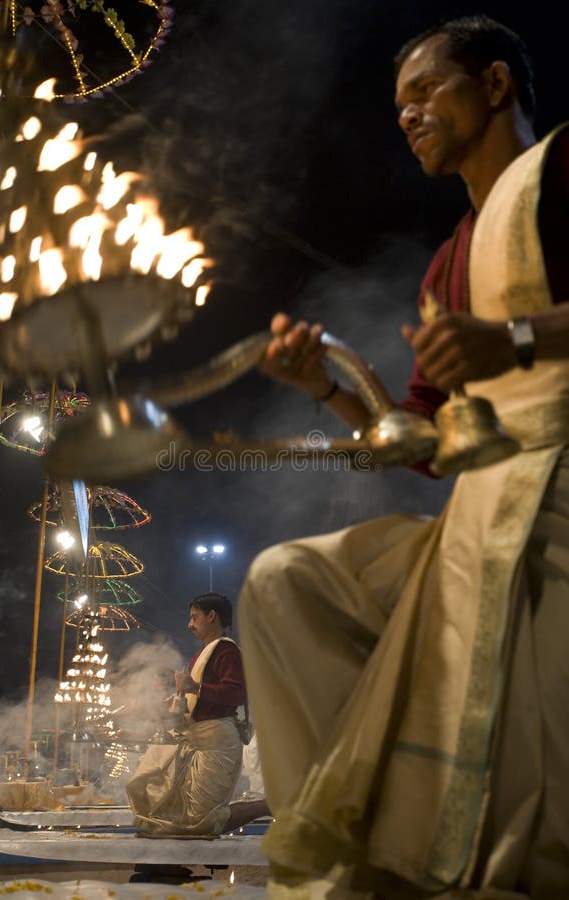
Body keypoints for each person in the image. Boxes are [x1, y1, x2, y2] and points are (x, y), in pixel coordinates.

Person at [238, 14, 569, 899]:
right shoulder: (447, 265)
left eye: (427, 90)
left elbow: (514, 351)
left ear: (495, 85)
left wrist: (520, 340)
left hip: (560, 500)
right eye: (398, 106)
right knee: (285, 582)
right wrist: (326, 387)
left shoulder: (561, 176)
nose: (408, 115)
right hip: (479, 514)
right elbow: (422, 440)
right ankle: (366, 867)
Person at [127, 592, 268, 834]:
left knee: (203, 819)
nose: (189, 624)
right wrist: (173, 702)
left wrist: (195, 688)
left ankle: (269, 805)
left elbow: (237, 694)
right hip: (195, 740)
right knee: (167, 803)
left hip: (217, 742)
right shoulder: (202, 654)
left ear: (211, 616)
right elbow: (198, 699)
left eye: (194, 618)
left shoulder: (226, 651)